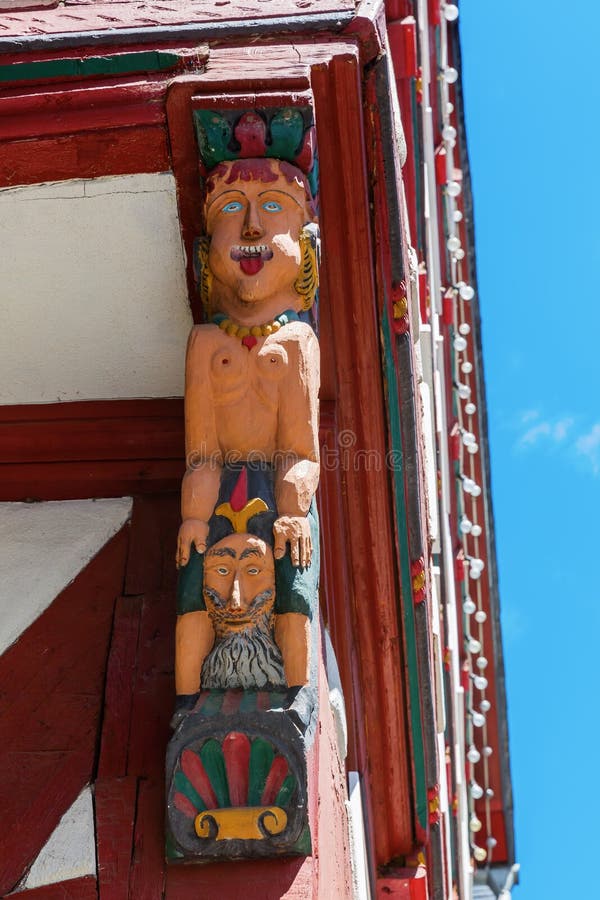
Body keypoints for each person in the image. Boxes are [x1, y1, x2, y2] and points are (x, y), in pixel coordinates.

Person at [174, 158, 320, 711]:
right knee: (195, 579)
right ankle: (191, 698)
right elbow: (202, 452)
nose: (253, 227)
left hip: (279, 491)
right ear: (204, 252)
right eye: (233, 209)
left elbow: (301, 452)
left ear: (306, 250)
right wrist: (192, 515)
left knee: (294, 577)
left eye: (273, 208)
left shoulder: (299, 342)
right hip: (217, 489)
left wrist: (293, 504)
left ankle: (293, 693)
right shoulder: (208, 343)